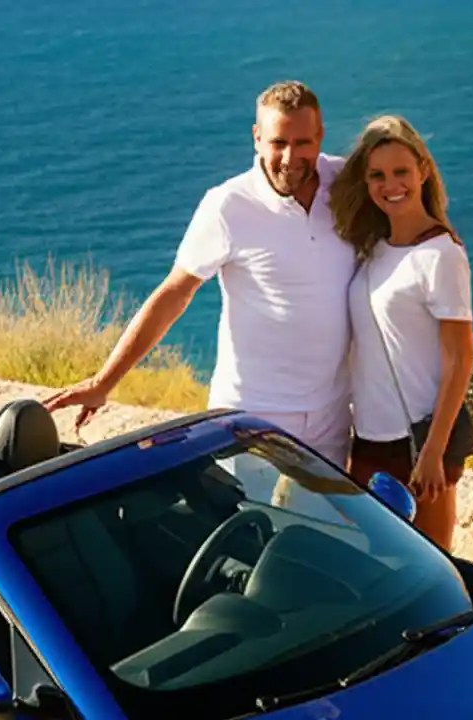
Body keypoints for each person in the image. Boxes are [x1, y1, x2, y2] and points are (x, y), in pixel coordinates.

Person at [42, 80, 357, 508]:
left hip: (333, 415)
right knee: (257, 534)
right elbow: (174, 294)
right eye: (278, 142)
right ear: (256, 137)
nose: (289, 157)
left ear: (320, 137)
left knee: (327, 536)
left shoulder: (346, 185)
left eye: (302, 142)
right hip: (253, 419)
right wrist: (104, 382)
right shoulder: (227, 206)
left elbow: (406, 190)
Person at [329, 115, 473, 551]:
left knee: (433, 573)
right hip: (368, 440)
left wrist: (434, 451)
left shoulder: (441, 255)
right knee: (376, 571)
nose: (390, 184)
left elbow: (460, 358)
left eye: (401, 172)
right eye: (377, 175)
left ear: (423, 173)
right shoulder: (372, 249)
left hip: (416, 445)